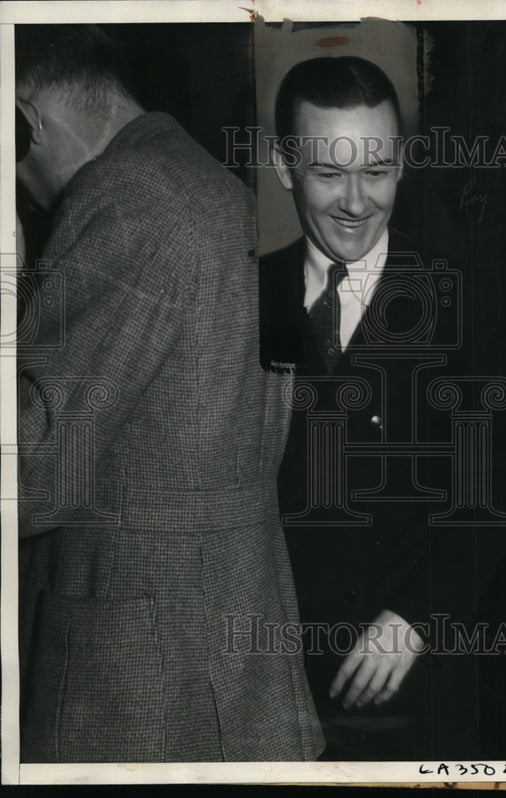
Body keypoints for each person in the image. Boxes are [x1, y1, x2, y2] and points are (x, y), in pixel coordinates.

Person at [16, 25, 323, 763]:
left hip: (142, 678)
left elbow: (23, 472)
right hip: (237, 652)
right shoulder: (228, 194)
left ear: (21, 123)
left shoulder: (125, 200)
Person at [260, 56, 506, 760]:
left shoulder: (460, 300)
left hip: (417, 690)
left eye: (377, 170)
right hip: (271, 687)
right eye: (327, 172)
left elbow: (495, 489)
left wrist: (417, 614)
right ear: (284, 166)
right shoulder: (248, 295)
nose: (357, 201)